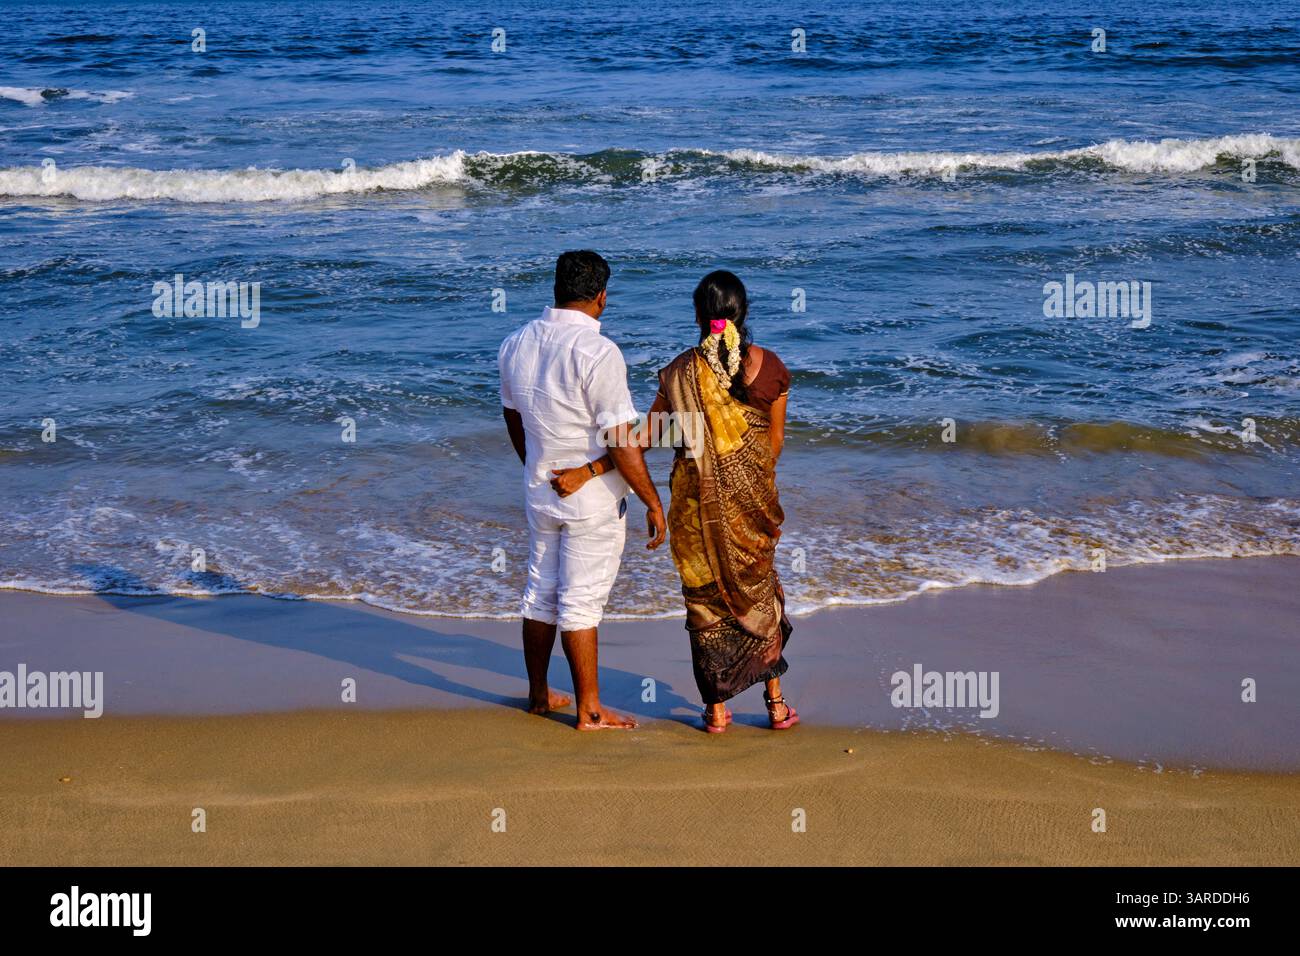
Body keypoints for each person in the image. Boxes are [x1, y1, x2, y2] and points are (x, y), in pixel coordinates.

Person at [551, 270, 796, 733]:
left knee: (704, 605)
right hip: (753, 511)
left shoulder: (680, 373)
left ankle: (716, 711)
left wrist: (589, 469)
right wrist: (743, 482)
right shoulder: (771, 369)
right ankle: (776, 705)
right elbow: (775, 444)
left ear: (699, 317)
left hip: (693, 514)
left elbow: (646, 437)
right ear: (741, 314)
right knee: (760, 595)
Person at [499, 250, 666, 731]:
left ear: (556, 290)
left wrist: (535, 466)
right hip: (591, 503)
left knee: (539, 592)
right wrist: (654, 501)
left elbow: (514, 418)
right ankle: (589, 710)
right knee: (581, 601)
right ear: (601, 297)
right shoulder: (599, 352)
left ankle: (537, 695)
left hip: (540, 489)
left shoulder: (514, 343)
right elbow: (621, 440)